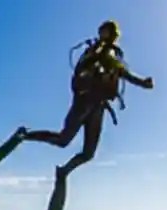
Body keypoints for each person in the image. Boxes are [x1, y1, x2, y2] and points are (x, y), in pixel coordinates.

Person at [20, 20, 154, 179]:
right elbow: (83, 68)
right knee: (63, 140)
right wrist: (97, 55)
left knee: (88, 153)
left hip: (99, 106)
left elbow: (123, 74)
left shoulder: (113, 54)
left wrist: (142, 83)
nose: (105, 35)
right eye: (103, 31)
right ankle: (25, 135)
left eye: (107, 32)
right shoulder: (94, 50)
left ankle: (63, 171)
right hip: (84, 101)